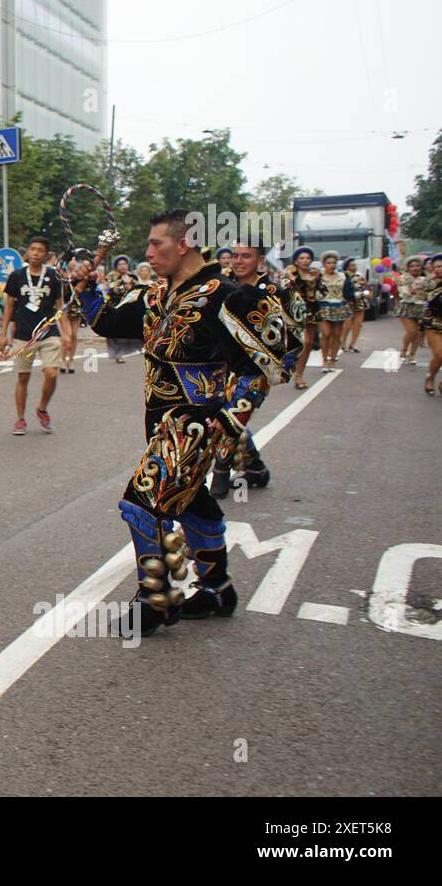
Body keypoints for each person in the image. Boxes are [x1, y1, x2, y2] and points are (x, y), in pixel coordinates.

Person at [75, 210, 296, 637]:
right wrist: (85, 287)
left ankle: (156, 600)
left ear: (184, 244)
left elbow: (264, 366)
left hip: (197, 424)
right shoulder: (156, 295)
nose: (147, 252)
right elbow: (106, 322)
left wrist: (231, 420)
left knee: (141, 502)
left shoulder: (227, 297)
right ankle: (217, 589)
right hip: (159, 421)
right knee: (193, 502)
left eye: (156, 243)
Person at [210, 239, 303, 499]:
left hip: (255, 370)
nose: (238, 261)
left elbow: (296, 328)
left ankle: (220, 472)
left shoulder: (277, 290)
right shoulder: (218, 285)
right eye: (235, 255)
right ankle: (256, 468)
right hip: (219, 365)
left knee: (233, 416)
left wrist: (285, 365)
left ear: (260, 260)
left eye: (246, 256)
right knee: (222, 414)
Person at [0, 236, 64, 435]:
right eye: (32, 249)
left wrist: (66, 333)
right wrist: (3, 334)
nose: (35, 253)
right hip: (23, 334)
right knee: (23, 377)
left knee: (52, 373)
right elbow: (9, 306)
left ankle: (42, 408)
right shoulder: (16, 276)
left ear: (46, 255)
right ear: (27, 252)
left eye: (40, 250)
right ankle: (20, 419)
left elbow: (60, 306)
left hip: (49, 331)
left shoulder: (54, 276)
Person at [283, 246, 320, 389]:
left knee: (309, 343)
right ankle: (286, 367)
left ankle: (299, 374)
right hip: (294, 311)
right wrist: (289, 279)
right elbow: (284, 286)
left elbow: (321, 291)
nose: (305, 261)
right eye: (302, 258)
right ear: (296, 261)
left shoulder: (315, 274)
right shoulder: (292, 272)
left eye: (308, 258)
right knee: (294, 342)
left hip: (311, 311)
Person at [314, 251, 353, 371]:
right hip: (323, 307)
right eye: (329, 263)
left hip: (339, 307)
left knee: (336, 334)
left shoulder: (343, 276)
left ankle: (332, 359)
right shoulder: (318, 275)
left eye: (334, 262)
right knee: (326, 333)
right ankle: (325, 360)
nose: (332, 265)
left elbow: (349, 292)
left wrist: (354, 298)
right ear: (324, 264)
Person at [394, 255, 429, 367]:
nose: (415, 268)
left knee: (419, 333)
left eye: (417, 266)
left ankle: (412, 354)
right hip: (407, 307)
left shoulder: (424, 280)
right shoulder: (403, 278)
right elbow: (402, 290)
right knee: (411, 331)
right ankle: (403, 350)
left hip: (422, 307)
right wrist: (408, 292)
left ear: (421, 267)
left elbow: (432, 290)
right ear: (408, 268)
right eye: (412, 266)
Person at [104, 254, 141, 363]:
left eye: (124, 263)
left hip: (129, 306)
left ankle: (123, 351)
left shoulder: (132, 276)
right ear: (116, 266)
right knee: (114, 330)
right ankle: (117, 354)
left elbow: (138, 288)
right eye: (120, 264)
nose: (123, 266)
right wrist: (123, 288)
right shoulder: (111, 276)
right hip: (114, 305)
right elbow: (109, 289)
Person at [422, 254, 442, 395]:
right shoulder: (430, 282)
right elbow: (433, 299)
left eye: (441, 266)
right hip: (435, 323)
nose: (439, 269)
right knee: (440, 355)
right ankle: (430, 378)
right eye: (436, 266)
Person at [341, 259, 369, 353]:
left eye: (355, 265)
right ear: (347, 266)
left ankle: (353, 344)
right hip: (349, 301)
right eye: (352, 265)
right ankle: (343, 343)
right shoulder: (343, 275)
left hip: (360, 300)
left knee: (358, 324)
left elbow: (365, 287)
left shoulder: (360, 275)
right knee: (347, 323)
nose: (354, 267)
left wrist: (364, 285)